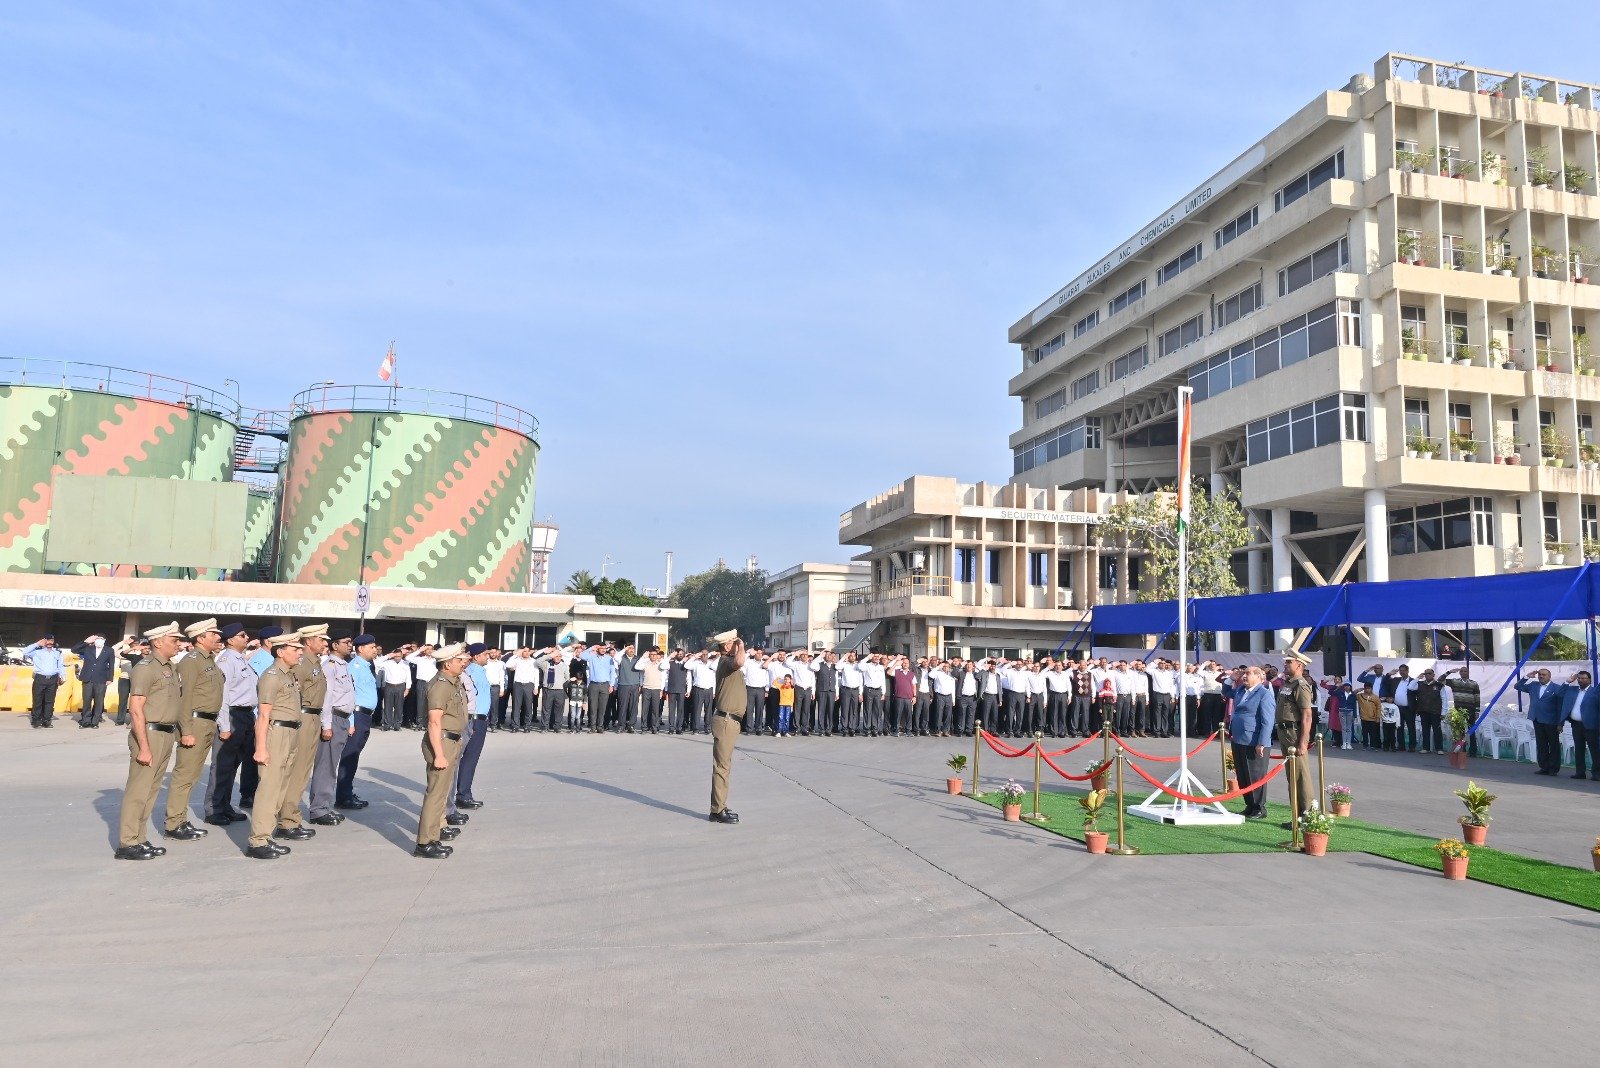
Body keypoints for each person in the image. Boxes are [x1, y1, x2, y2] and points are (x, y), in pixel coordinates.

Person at [114, 622, 186, 860]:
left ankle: (139, 838)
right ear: (158, 642)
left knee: (151, 791)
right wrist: (143, 747)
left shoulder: (170, 667)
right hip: (149, 734)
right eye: (174, 640)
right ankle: (127, 843)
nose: (178, 644)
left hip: (165, 734)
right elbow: (136, 709)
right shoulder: (146, 668)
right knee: (138, 790)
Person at [165, 618, 223, 842]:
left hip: (208, 723)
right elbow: (185, 698)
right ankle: (174, 823)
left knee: (193, 775)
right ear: (200, 638)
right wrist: (186, 731)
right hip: (195, 724)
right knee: (185, 775)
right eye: (213, 634)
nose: (218, 637)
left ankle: (180, 819)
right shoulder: (191, 661)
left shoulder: (209, 660)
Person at [415, 643, 471, 859]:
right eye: (459, 660)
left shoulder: (452, 682)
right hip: (442, 742)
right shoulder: (440, 685)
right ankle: (424, 843)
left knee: (441, 793)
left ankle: (435, 834)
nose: (463, 663)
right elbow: (434, 722)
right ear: (447, 664)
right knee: (435, 794)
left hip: (451, 741)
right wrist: (439, 754)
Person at [278, 624, 330, 840]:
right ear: (309, 641)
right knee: (297, 772)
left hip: (313, 717)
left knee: (303, 771)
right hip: (304, 717)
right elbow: (292, 693)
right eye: (321, 639)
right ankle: (287, 821)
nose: (325, 643)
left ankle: (291, 817)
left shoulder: (315, 662)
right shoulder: (302, 664)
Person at [208, 623, 259, 824]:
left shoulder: (242, 660)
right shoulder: (227, 661)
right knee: (222, 765)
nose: (247, 638)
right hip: (232, 715)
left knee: (233, 765)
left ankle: (225, 805)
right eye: (242, 635)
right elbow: (223, 696)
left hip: (245, 716)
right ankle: (214, 809)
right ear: (230, 640)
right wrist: (224, 726)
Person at [308, 632, 358, 826]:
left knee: (331, 765)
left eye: (350, 642)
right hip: (333, 719)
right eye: (346, 642)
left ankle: (324, 806)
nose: (350, 645)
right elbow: (326, 698)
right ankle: (318, 810)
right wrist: (326, 725)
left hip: (342, 719)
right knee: (326, 766)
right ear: (335, 645)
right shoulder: (329, 666)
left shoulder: (344, 665)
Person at [337, 634, 380, 810]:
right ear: (361, 649)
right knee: (349, 756)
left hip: (365, 715)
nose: (375, 649)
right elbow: (349, 695)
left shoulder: (366, 666)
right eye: (371, 647)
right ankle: (343, 797)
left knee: (354, 756)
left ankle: (347, 792)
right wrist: (351, 721)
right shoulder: (354, 667)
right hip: (357, 714)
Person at [1276, 650, 1318, 829]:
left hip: (1294, 732)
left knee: (1301, 776)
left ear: (1299, 665)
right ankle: (1297, 815)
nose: (1285, 665)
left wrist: (1303, 742)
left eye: (1289, 662)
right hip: (1285, 732)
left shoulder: (1300, 685)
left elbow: (1307, 715)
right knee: (1292, 776)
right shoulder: (1289, 683)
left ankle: (1307, 816)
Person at [708, 630, 747, 824]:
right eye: (734, 642)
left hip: (730, 721)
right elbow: (740, 662)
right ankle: (717, 810)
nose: (737, 644)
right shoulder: (725, 662)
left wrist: (738, 646)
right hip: (726, 720)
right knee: (722, 767)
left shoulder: (727, 662)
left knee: (724, 766)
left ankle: (720, 804)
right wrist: (742, 645)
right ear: (726, 646)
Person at [1229, 666, 1273, 821]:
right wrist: (1231, 678)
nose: (1244, 676)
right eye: (1244, 673)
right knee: (1243, 775)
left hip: (1253, 740)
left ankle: (1259, 807)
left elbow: (1268, 721)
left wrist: (1262, 743)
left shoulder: (1264, 694)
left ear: (1259, 677)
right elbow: (1226, 692)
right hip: (1239, 738)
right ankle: (1249, 805)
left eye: (1248, 674)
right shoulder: (1241, 690)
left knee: (1255, 775)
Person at [453, 643, 492, 810]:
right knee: (469, 757)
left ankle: (464, 793)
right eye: (485, 654)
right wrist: (470, 721)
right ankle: (463, 795)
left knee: (471, 757)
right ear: (476, 656)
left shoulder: (480, 671)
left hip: (480, 719)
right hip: (474, 719)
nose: (488, 656)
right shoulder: (470, 672)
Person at [1515, 668, 1565, 775]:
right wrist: (1527, 677)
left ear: (1549, 676)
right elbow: (1517, 686)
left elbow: (1560, 707)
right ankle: (1544, 767)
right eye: (1540, 675)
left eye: (1544, 675)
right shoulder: (1533, 685)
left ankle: (1553, 768)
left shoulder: (1556, 688)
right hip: (1537, 719)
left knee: (1553, 745)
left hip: (1551, 720)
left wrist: (1561, 723)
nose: (1541, 676)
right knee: (1541, 744)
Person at [72, 634, 117, 728]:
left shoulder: (109, 650)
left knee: (99, 701)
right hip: (88, 678)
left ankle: (95, 722)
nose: (99, 641)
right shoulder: (88, 648)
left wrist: (110, 678)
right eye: (97, 639)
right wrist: (85, 642)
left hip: (101, 679)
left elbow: (111, 665)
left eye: (101, 639)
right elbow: (74, 650)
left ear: (104, 640)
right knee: (86, 700)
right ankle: (85, 721)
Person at [24, 634, 64, 728]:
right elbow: (25, 651)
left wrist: (63, 677)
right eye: (47, 640)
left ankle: (47, 720)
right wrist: (37, 644)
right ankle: (36, 720)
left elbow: (60, 666)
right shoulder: (37, 652)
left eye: (51, 640)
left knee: (49, 701)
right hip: (40, 678)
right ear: (44, 641)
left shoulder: (57, 653)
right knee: (37, 700)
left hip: (53, 679)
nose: (49, 642)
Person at [581, 642, 616, 733]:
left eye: (604, 648)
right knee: (593, 707)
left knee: (602, 707)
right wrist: (591, 648)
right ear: (597, 649)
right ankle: (593, 727)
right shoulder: (592, 657)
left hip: (605, 685)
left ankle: (600, 726)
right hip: (594, 684)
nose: (603, 650)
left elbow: (612, 672)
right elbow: (581, 655)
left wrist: (611, 685)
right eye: (601, 648)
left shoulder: (609, 658)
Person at [377, 647, 412, 730]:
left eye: (399, 656)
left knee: (399, 706)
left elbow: (408, 677)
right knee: (388, 706)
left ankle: (397, 725)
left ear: (402, 656)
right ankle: (387, 724)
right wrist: (388, 656)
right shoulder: (388, 663)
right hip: (389, 686)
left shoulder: (405, 664)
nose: (397, 658)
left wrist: (407, 688)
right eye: (396, 656)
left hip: (400, 686)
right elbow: (377, 662)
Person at [1356, 681, 1383, 750]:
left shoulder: (1376, 697)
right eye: (1366, 688)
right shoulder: (1360, 696)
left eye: (1368, 688)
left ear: (1371, 689)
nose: (1367, 690)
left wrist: (1377, 717)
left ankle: (1372, 745)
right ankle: (1365, 745)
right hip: (1363, 718)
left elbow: (1378, 708)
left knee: (1372, 733)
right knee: (1364, 732)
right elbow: (1352, 694)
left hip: (1373, 718)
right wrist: (1358, 690)